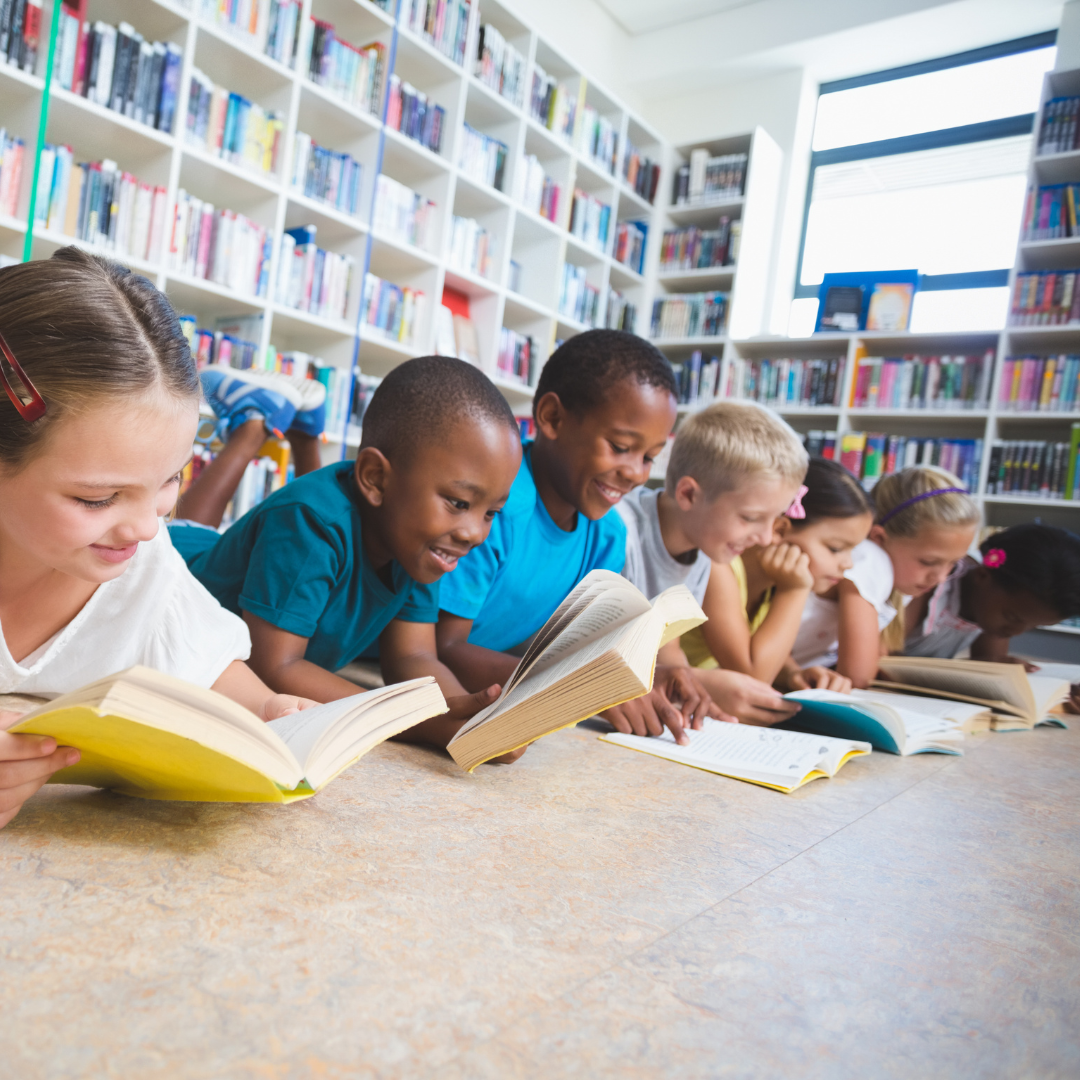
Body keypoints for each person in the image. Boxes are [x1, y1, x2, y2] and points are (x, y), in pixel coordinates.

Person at [0, 248, 316, 829]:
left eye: (171, 479)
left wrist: (270, 712)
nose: (146, 527)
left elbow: (204, 659)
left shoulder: (144, 558)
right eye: (96, 499)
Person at [174, 355, 527, 759]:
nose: (474, 533)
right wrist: (414, 720)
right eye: (459, 502)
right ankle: (253, 424)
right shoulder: (309, 521)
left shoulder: (419, 543)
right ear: (376, 478)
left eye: (491, 513)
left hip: (232, 551)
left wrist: (467, 715)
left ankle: (305, 432)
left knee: (211, 532)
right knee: (188, 526)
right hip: (179, 565)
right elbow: (274, 668)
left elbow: (413, 656)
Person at [436, 330, 725, 746]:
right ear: (552, 418)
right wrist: (581, 688)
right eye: (620, 446)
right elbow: (443, 645)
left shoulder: (608, 536)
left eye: (648, 458)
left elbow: (554, 651)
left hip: (486, 687)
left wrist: (632, 676)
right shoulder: (495, 505)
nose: (636, 473)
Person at [618, 400, 809, 729]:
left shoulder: (702, 548)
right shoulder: (619, 533)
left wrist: (692, 691)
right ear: (689, 495)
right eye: (751, 518)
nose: (765, 538)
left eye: (774, 519)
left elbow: (665, 650)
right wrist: (708, 683)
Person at [903, 523, 1080, 676]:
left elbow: (988, 663)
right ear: (982, 576)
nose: (1016, 632)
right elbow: (881, 660)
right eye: (1012, 617)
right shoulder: (929, 586)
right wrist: (965, 668)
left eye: (1032, 625)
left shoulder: (991, 609)